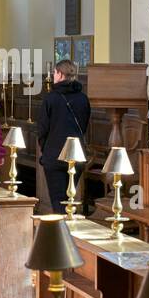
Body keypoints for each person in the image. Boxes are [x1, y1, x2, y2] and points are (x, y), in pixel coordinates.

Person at [37, 59, 91, 213]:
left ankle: (62, 234)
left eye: (54, 72)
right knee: (70, 200)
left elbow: (42, 129)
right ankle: (70, 233)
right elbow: (85, 125)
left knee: (58, 202)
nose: (53, 75)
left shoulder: (51, 98)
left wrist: (46, 149)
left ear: (60, 74)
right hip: (76, 155)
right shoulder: (83, 98)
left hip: (54, 157)